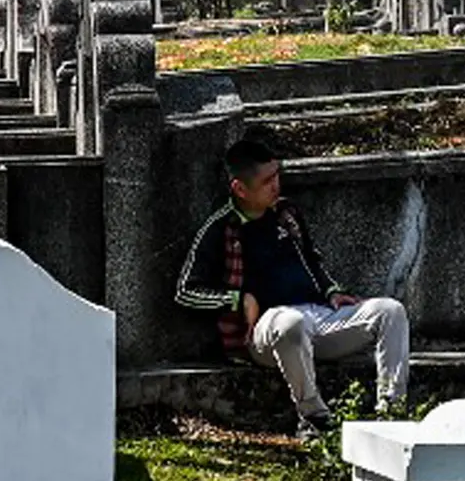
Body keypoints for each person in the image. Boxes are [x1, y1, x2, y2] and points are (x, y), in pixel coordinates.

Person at [174, 135, 411, 438]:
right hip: (266, 330)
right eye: (267, 181)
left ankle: (391, 416)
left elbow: (312, 260)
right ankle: (313, 417)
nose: (277, 185)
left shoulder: (287, 213)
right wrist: (237, 300)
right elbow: (185, 291)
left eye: (277, 175)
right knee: (291, 322)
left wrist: (331, 291)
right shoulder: (220, 229)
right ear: (239, 188)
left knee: (390, 311)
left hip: (318, 316)